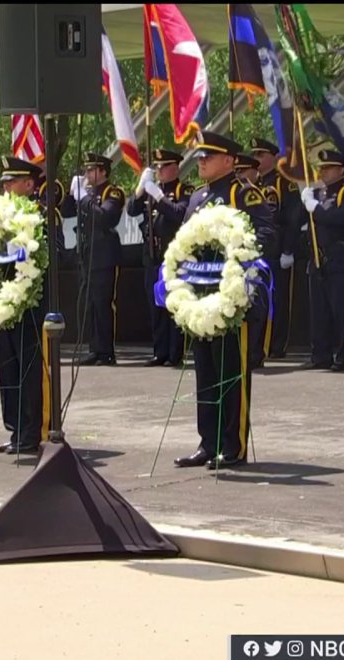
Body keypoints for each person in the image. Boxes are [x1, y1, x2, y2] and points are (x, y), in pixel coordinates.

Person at [173, 132, 275, 470]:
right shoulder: (197, 196)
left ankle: (233, 445)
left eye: (209, 156)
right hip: (201, 297)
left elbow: (265, 234)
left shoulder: (243, 193)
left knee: (231, 372)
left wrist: (236, 259)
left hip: (232, 298)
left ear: (229, 161)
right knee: (206, 372)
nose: (201, 162)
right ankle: (209, 442)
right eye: (200, 157)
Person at [0, 155, 53, 456]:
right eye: (5, 182)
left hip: (30, 304)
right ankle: (15, 429)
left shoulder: (42, 215)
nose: (6, 187)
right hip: (4, 303)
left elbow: (48, 256)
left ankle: (33, 431)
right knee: (8, 369)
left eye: (13, 181)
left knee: (30, 371)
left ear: (29, 184)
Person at [299, 150, 344, 372]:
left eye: (328, 168)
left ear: (341, 170)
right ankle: (320, 355)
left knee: (341, 312)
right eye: (321, 168)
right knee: (318, 312)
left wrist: (314, 207)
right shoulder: (315, 193)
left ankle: (343, 356)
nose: (323, 172)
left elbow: (341, 218)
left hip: (339, 258)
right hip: (316, 258)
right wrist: (305, 202)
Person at [130, 148, 192, 367]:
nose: (159, 170)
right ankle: (160, 351)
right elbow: (131, 210)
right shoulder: (150, 189)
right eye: (156, 167)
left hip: (174, 255)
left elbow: (179, 213)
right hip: (152, 254)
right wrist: (140, 189)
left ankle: (175, 353)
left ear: (175, 168)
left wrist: (159, 197)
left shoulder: (184, 190)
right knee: (155, 305)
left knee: (174, 304)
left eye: (163, 166)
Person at [251, 138, 302, 360]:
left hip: (279, 249)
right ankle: (261, 343)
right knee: (262, 299)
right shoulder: (256, 184)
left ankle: (277, 344)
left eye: (261, 155)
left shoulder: (284, 182)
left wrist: (288, 249)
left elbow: (293, 217)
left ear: (274, 157)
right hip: (261, 251)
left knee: (278, 300)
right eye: (255, 155)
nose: (257, 159)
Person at [74, 153, 126, 366]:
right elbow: (67, 211)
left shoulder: (113, 192)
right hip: (88, 254)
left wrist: (83, 198)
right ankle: (94, 348)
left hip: (105, 255)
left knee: (104, 304)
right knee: (89, 304)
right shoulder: (87, 194)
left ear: (103, 171)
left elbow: (104, 217)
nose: (87, 174)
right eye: (86, 170)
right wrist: (72, 195)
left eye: (91, 170)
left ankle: (106, 351)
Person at [235, 152, 271, 370]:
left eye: (243, 170)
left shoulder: (251, 193)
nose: (239, 174)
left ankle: (255, 354)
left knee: (256, 309)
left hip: (253, 260)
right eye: (236, 171)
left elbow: (265, 226)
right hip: (232, 263)